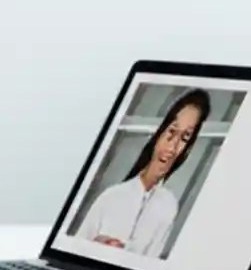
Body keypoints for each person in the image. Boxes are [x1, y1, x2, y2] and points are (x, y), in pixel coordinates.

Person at [76, 89, 212, 257]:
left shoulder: (168, 205)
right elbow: (73, 252)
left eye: (185, 138)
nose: (172, 147)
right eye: (171, 131)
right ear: (159, 133)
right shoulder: (110, 197)